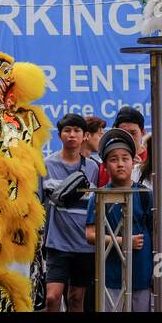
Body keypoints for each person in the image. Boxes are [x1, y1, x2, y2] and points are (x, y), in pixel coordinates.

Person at [85, 129, 154, 312]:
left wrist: (159, 274)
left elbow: (157, 236)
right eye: (114, 159)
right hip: (111, 277)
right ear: (105, 166)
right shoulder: (99, 196)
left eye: (125, 158)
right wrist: (124, 242)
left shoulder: (146, 195)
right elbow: (90, 235)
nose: (120, 164)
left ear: (134, 162)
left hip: (142, 275)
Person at [40, 113, 100, 312]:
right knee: (52, 297)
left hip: (84, 245)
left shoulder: (93, 168)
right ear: (59, 136)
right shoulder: (46, 166)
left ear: (85, 136)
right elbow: (37, 203)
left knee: (76, 299)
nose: (72, 135)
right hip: (57, 244)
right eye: (67, 130)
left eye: (77, 131)